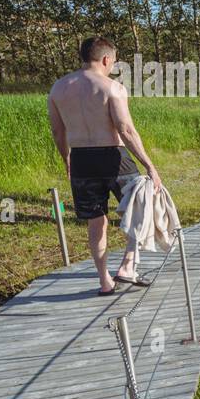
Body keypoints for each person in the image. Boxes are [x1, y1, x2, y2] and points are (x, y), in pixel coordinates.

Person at [47, 37, 163, 295]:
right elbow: (125, 129)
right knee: (140, 205)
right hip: (114, 157)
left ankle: (104, 281)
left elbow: (57, 130)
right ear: (106, 59)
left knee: (95, 222)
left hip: (81, 159)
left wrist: (66, 159)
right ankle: (127, 264)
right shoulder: (112, 88)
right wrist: (150, 166)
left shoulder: (58, 88)